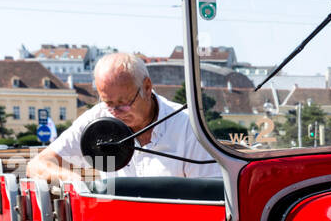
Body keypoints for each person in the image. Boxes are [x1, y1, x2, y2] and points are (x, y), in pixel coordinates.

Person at [27, 53, 219, 183]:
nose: (116, 112)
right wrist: (76, 183)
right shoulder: (98, 117)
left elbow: (209, 194)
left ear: (147, 87)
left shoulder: (187, 126)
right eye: (108, 103)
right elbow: (37, 165)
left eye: (124, 102)